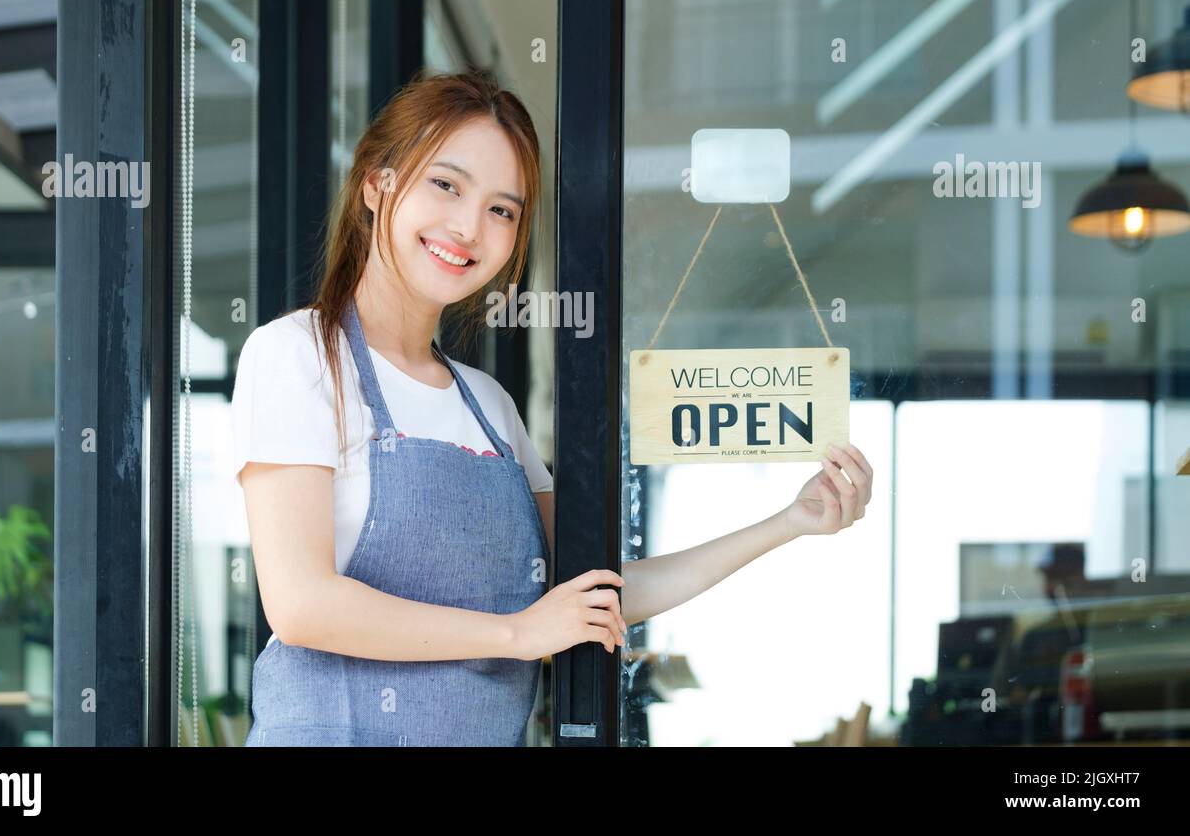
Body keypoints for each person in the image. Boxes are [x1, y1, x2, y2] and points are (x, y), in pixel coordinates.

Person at [233, 68, 875, 747]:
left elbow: (597, 595)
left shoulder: (489, 407)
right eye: (446, 185)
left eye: (502, 210)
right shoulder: (297, 357)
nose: (469, 227)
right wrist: (516, 633)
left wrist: (789, 521)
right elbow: (302, 604)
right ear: (375, 184)